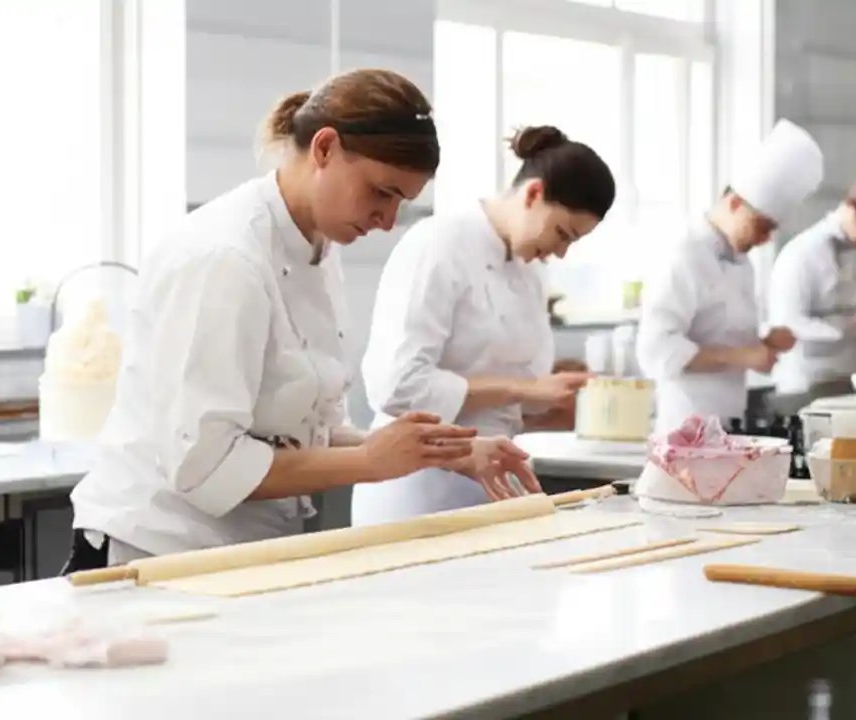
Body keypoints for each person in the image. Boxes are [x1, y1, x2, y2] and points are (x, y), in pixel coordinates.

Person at [65, 69, 535, 570]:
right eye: (381, 192)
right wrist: (369, 462)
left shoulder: (318, 244)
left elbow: (313, 430)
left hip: (238, 555)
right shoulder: (225, 257)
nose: (388, 221)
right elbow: (203, 467)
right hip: (151, 553)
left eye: (401, 202)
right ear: (325, 149)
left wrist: (442, 451)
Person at [353, 125, 613, 525]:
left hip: (491, 484)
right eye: (561, 232)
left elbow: (509, 402)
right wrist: (522, 389)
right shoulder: (439, 243)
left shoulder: (530, 271)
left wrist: (557, 399)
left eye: (572, 242)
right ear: (533, 194)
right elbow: (397, 384)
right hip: (418, 488)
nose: (560, 253)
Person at [636, 119, 824, 433]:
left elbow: (718, 337)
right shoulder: (683, 254)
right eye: (762, 226)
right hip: (684, 426)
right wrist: (744, 355)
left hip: (728, 422)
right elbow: (657, 350)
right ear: (735, 203)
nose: (765, 240)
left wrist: (764, 342)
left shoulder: (742, 263)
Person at [767, 166, 856, 414]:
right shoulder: (800, 254)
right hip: (803, 389)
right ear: (851, 207)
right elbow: (785, 325)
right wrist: (842, 328)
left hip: (849, 386)